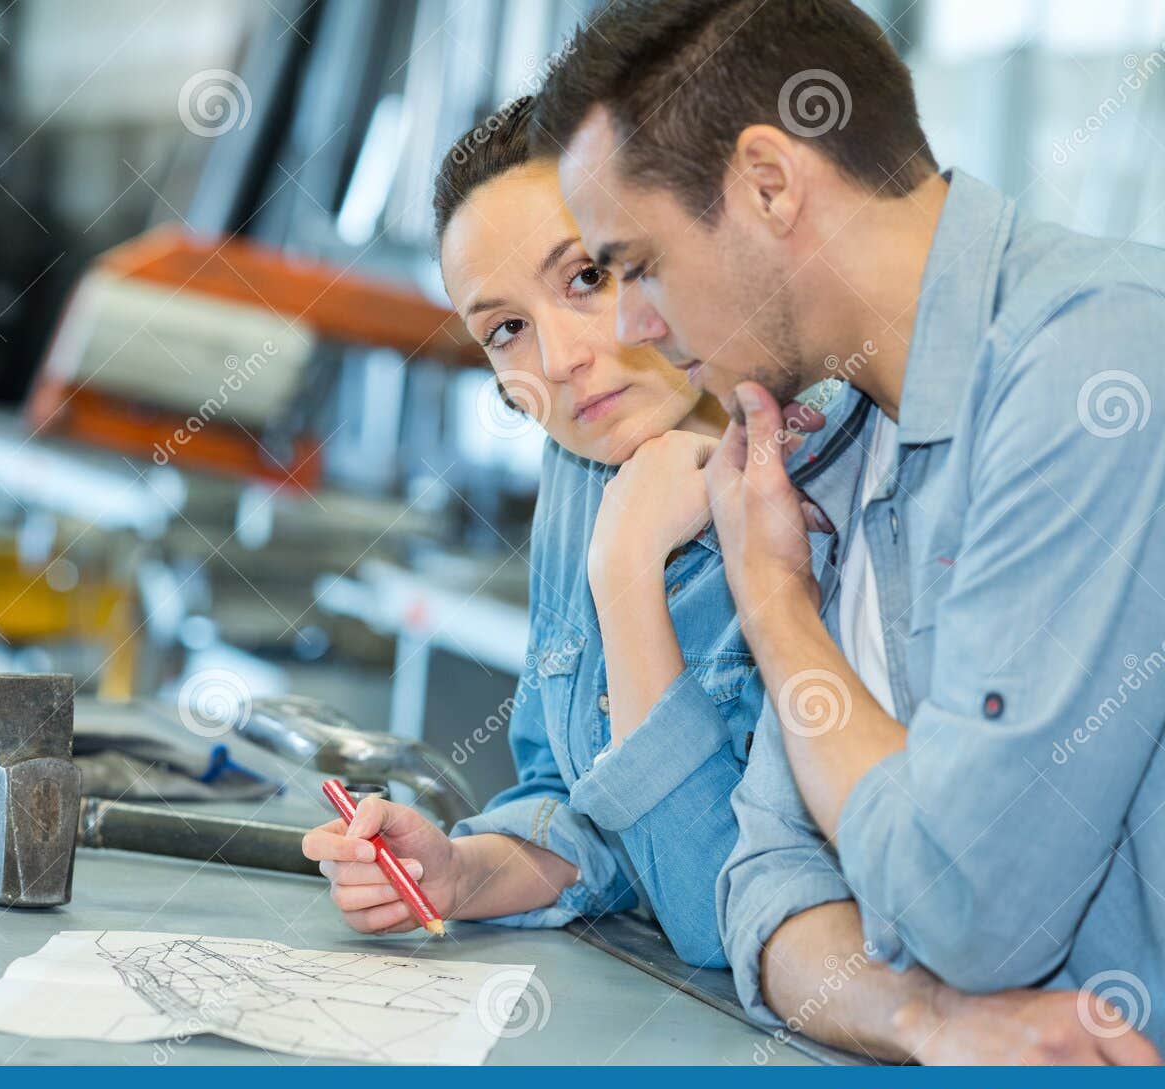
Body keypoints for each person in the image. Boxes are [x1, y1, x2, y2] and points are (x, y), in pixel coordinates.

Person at [535, 0, 1165, 1063]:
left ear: (770, 183)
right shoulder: (844, 433)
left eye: (635, 264)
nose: (633, 325)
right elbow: (763, 885)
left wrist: (775, 603)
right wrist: (925, 1019)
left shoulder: (1097, 360)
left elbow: (972, 906)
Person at [301, 94, 840, 967]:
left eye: (587, 277)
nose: (556, 361)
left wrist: (625, 570)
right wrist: (463, 873)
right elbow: (577, 796)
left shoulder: (828, 491)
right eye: (505, 329)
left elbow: (724, 913)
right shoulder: (590, 458)